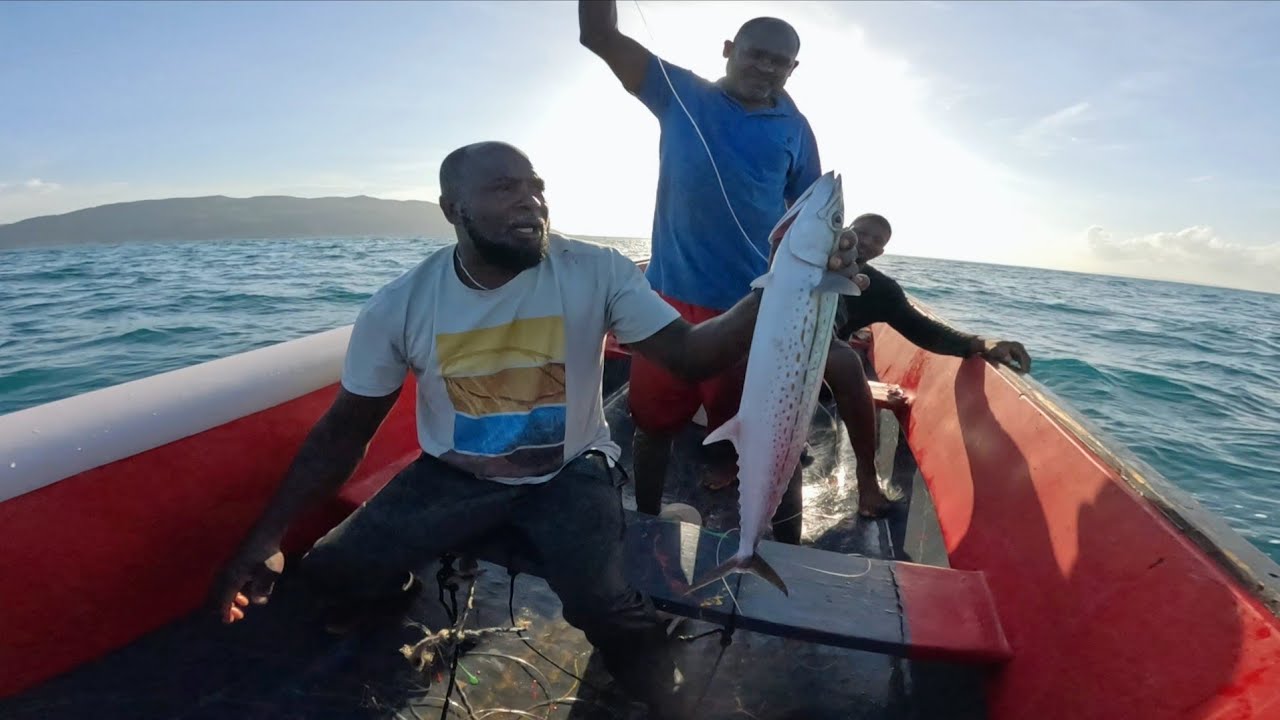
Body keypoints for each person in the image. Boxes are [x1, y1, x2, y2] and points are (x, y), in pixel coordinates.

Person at [205, 141, 865, 718]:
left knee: (604, 608)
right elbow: (343, 431)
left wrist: (782, 280)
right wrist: (266, 537)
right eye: (504, 188)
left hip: (569, 470)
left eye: (537, 189)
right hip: (454, 472)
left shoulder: (594, 270)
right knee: (331, 569)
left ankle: (660, 678)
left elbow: (692, 354)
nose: (531, 203)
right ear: (451, 210)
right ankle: (393, 586)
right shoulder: (401, 305)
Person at [580, 1, 837, 542]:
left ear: (794, 69)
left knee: (768, 434)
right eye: (756, 55)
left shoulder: (796, 128)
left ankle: (784, 555)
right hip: (667, 305)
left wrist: (843, 248)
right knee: (652, 427)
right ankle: (646, 525)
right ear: (728, 51)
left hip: (752, 310)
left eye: (781, 62)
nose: (766, 68)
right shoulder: (679, 91)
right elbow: (599, 35)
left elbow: (812, 209)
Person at [824, 212, 1032, 517]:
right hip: (787, 356)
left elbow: (922, 330)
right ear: (846, 233)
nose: (866, 242)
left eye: (876, 240)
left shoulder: (881, 291)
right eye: (861, 233)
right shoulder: (811, 264)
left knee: (850, 368)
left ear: (881, 252)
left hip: (829, 372)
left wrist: (980, 344)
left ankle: (867, 485)